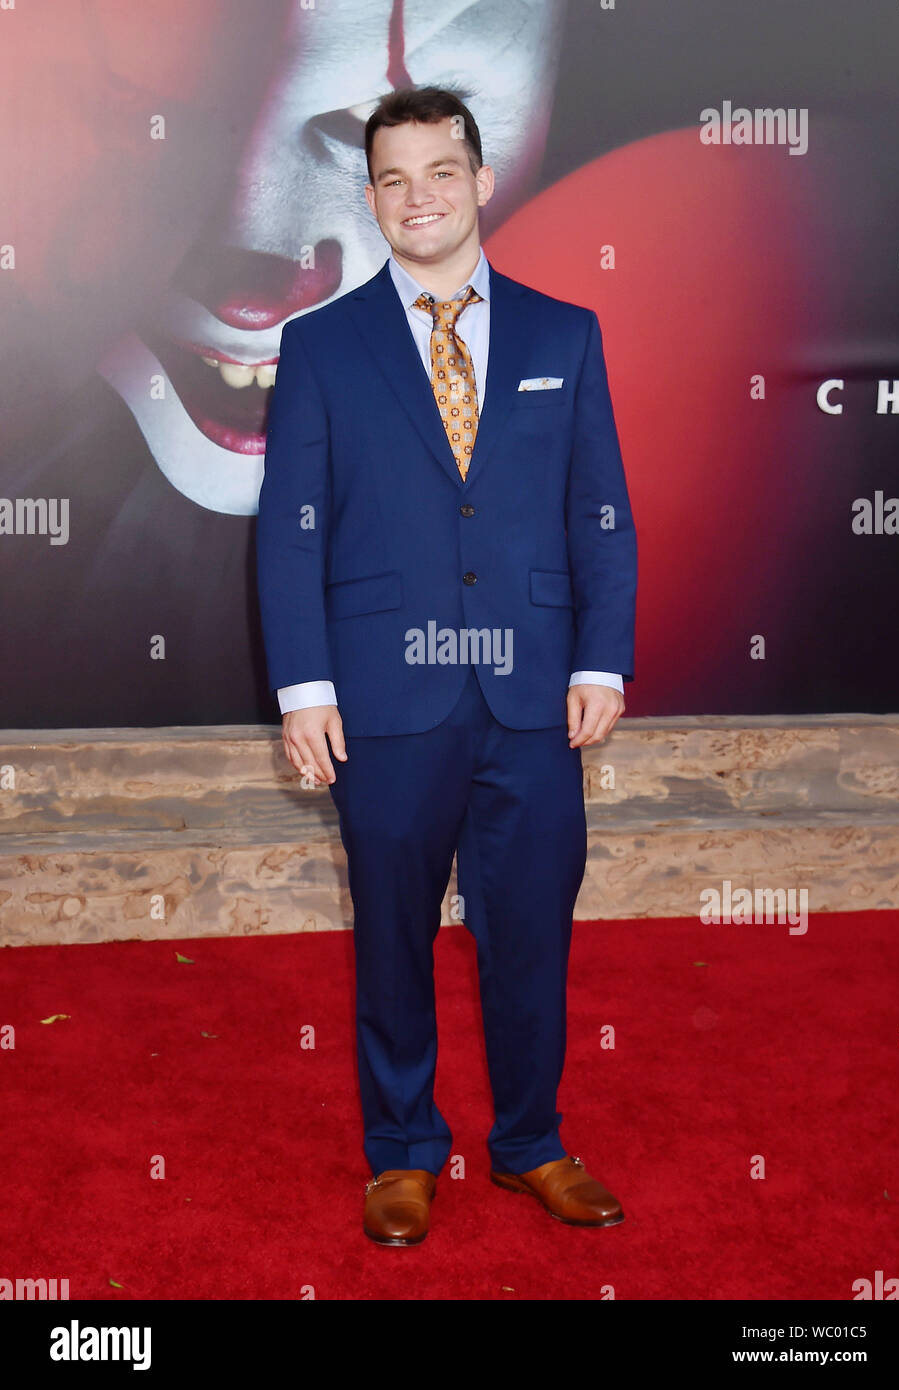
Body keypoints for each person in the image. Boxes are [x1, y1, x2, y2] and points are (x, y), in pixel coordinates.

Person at [256, 86, 637, 1245]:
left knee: (530, 927)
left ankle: (530, 1141)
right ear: (369, 199)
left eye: (438, 170)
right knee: (391, 929)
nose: (416, 195)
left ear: (479, 179)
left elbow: (600, 514)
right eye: (391, 177)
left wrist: (602, 662)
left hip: (532, 695)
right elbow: (290, 527)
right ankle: (404, 1147)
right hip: (382, 695)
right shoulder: (318, 344)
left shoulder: (565, 335)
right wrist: (304, 688)